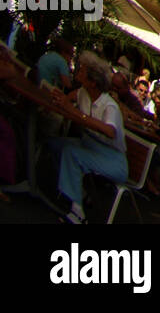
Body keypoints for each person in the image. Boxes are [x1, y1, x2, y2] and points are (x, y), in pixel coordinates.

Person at [48, 62, 128, 224]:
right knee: (56, 144)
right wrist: (60, 98)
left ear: (93, 82)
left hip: (112, 159)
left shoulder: (109, 106)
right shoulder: (83, 92)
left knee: (71, 152)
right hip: (89, 145)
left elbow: (109, 132)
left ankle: (78, 214)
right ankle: (79, 194)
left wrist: (78, 115)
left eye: (82, 71)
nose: (78, 71)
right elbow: (68, 99)